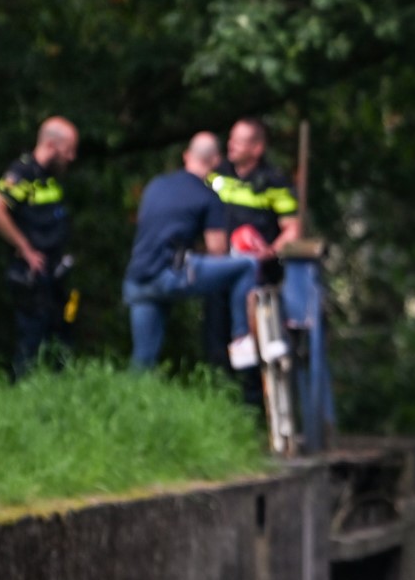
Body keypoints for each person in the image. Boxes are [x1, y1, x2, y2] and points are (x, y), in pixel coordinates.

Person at [122, 133, 261, 371]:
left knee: (143, 359)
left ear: (187, 156)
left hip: (137, 279)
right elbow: (217, 250)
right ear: (215, 161)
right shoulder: (207, 196)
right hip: (169, 276)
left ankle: (126, 404)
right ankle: (240, 340)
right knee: (247, 265)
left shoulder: (156, 185)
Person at [202, 118, 300, 388]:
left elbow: (292, 229)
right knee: (215, 337)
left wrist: (269, 252)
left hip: (258, 277)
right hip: (218, 271)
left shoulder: (274, 181)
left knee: (254, 344)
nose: (231, 146)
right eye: (231, 139)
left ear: (257, 149)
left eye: (240, 141)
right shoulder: (216, 174)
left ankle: (255, 404)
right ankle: (219, 399)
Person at [0, 116, 78, 379]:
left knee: (61, 335)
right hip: (31, 274)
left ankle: (60, 391)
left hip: (54, 270)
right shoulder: (22, 173)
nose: (72, 156)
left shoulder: (50, 177)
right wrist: (24, 248)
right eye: (68, 149)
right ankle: (19, 394)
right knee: (32, 340)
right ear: (50, 144)